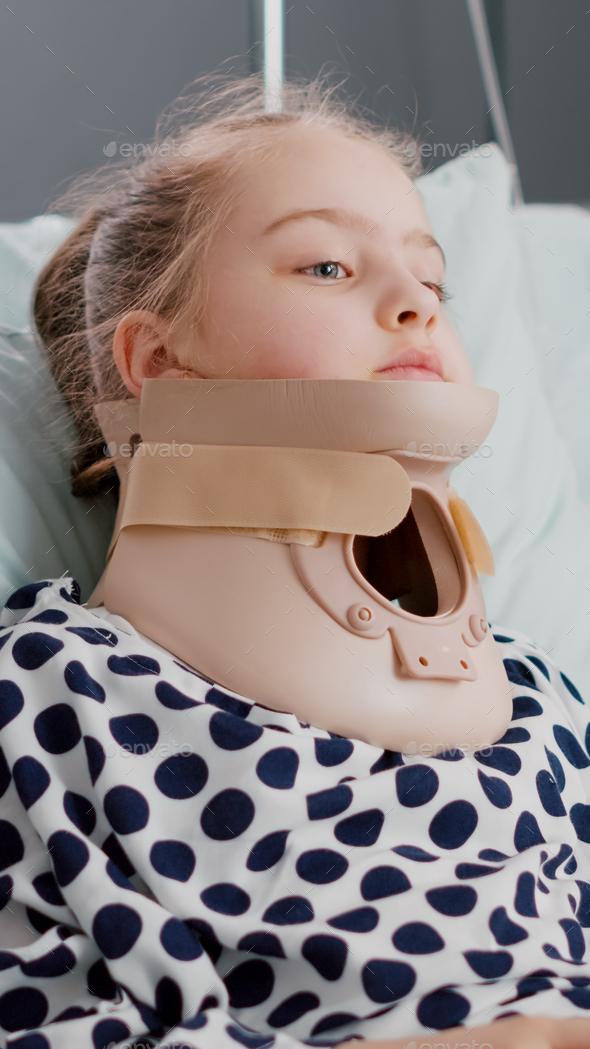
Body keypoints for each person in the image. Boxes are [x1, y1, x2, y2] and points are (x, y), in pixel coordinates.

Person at [1, 71, 590, 1049]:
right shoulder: (53, 695)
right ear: (157, 361)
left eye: (431, 279)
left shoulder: (542, 697)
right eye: (326, 266)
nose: (415, 304)